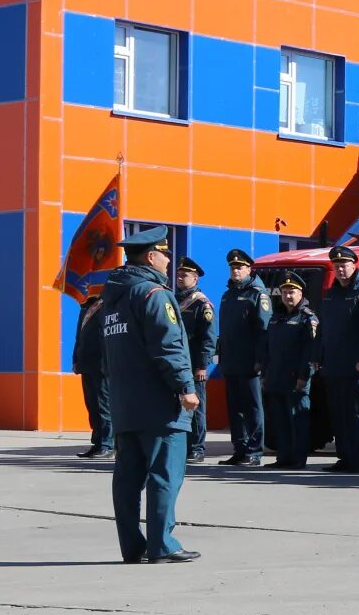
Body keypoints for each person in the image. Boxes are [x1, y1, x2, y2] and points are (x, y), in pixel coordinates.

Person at [100, 226, 202, 564]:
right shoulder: (152, 294)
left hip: (126, 405)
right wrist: (185, 388)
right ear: (150, 256)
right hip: (160, 405)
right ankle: (162, 544)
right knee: (164, 474)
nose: (168, 260)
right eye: (165, 253)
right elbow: (169, 346)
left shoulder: (113, 298)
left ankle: (133, 546)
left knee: (128, 479)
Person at [315, 245, 359, 474]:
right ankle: (344, 457)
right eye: (337, 265)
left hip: (355, 365)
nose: (340, 269)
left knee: (355, 414)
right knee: (338, 413)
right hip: (333, 363)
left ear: (354, 265)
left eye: (344, 265)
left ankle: (357, 459)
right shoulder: (332, 293)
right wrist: (318, 356)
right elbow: (324, 328)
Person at [215, 250, 270, 468]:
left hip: (250, 362)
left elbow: (263, 331)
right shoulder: (227, 295)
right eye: (232, 267)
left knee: (253, 408)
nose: (235, 270)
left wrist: (259, 360)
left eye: (240, 267)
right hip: (231, 362)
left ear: (249, 269)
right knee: (235, 408)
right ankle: (240, 449)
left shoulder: (257, 294)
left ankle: (254, 452)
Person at [260, 271, 318, 470]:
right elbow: (268, 349)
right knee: (280, 421)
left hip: (296, 379)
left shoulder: (307, 319)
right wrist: (265, 374)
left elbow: (311, 351)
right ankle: (283, 457)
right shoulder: (277, 317)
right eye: (284, 292)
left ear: (301, 293)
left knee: (297, 421)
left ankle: (297, 459)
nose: (288, 296)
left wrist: (304, 376)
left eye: (292, 292)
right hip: (276, 377)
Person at [175, 257, 217, 463]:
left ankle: (197, 448)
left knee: (196, 407)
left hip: (193, 363)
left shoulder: (202, 303)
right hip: (177, 362)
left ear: (195, 278)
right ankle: (182, 446)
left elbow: (208, 337)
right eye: (179, 274)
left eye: (185, 275)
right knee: (177, 405)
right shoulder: (174, 300)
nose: (181, 278)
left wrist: (202, 364)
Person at [72, 294, 112, 459]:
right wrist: (75, 359)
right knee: (92, 406)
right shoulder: (85, 307)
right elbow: (79, 337)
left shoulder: (109, 305)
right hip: (86, 363)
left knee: (104, 406)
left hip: (103, 364)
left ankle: (108, 444)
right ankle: (97, 443)